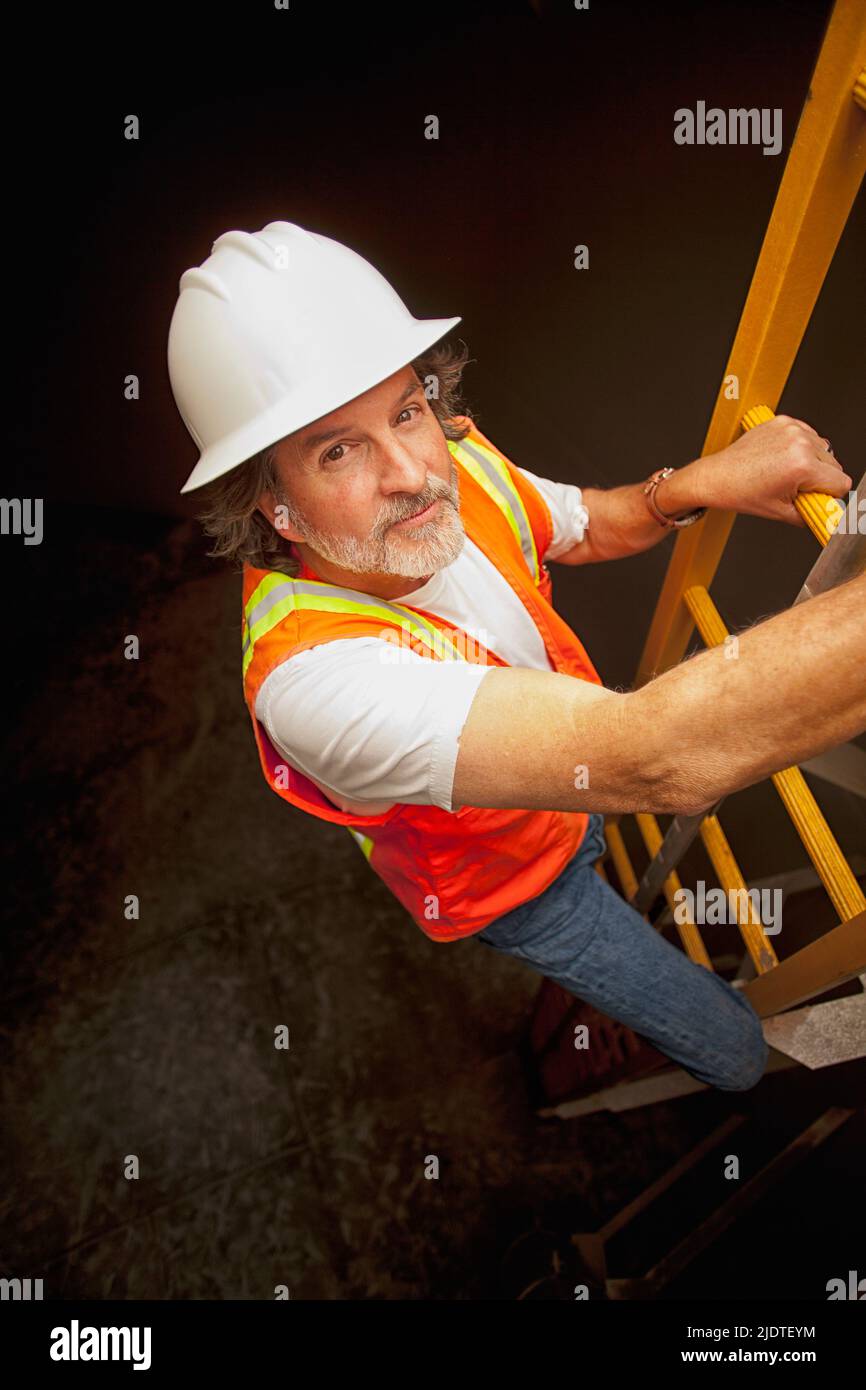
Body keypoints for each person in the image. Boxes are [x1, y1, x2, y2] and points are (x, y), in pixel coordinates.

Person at [167, 220, 865, 1092]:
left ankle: (597, 982)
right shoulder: (314, 683)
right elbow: (651, 755)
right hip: (518, 886)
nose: (412, 472)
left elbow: (578, 523)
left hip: (581, 795)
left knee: (604, 836)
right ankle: (588, 1023)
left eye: (406, 411)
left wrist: (694, 482)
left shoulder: (452, 458)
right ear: (270, 504)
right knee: (737, 1054)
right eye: (337, 449)